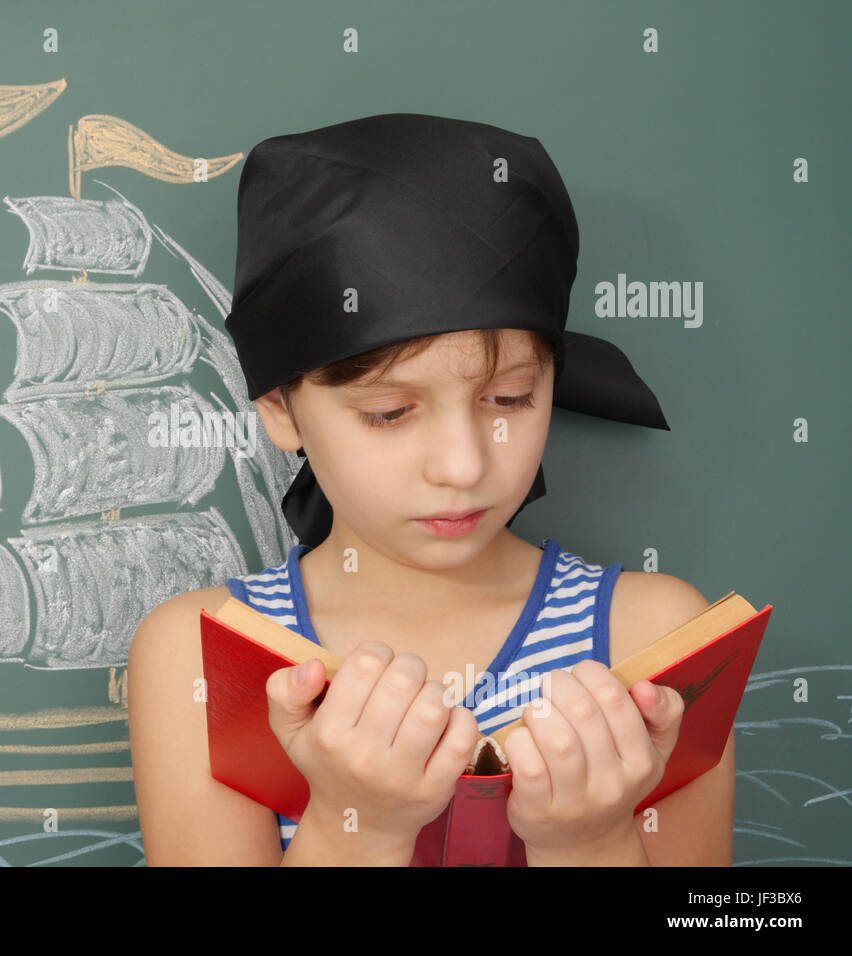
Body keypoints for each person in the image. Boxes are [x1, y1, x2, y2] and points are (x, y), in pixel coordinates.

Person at [128, 113, 733, 866]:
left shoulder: (656, 642)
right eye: (390, 413)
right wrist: (357, 826)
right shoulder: (208, 656)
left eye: (509, 399)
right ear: (280, 409)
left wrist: (591, 841)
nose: (464, 466)